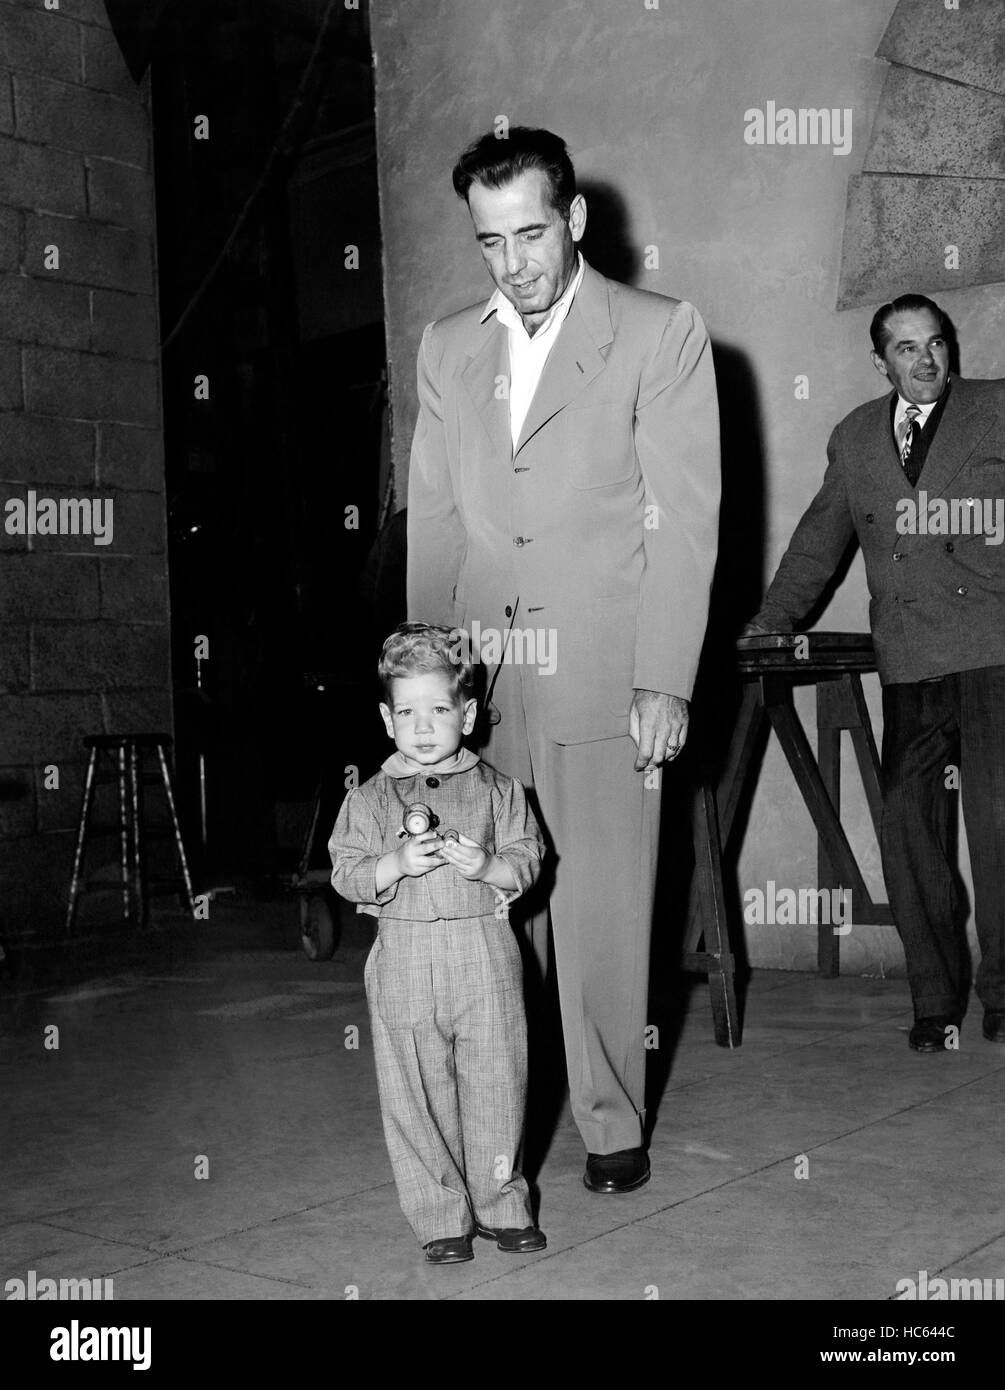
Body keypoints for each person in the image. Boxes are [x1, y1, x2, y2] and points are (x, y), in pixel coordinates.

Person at [407, 127, 720, 1192]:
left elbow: (682, 520)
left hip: (605, 670)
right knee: (488, 903)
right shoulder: (447, 346)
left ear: (575, 219)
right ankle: (504, 1119)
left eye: (531, 233)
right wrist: (423, 681)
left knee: (599, 910)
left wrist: (665, 677)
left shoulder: (659, 332)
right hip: (484, 685)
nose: (514, 263)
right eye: (491, 242)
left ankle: (609, 1120)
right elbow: (439, 522)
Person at [748, 294, 1005, 1053]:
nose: (925, 361)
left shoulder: (995, 410)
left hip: (992, 649)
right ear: (879, 361)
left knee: (998, 832)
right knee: (908, 836)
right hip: (908, 661)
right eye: (905, 349)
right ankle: (934, 999)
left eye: (934, 344)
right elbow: (816, 542)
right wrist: (770, 623)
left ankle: (1004, 994)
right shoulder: (855, 437)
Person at [328, 622, 546, 1264]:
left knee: (498, 1082)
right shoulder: (365, 799)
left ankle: (503, 1204)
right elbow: (345, 869)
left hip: (485, 954)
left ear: (470, 713)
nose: (423, 726)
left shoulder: (501, 791)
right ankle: (439, 1216)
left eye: (440, 709)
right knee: (413, 1092)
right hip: (402, 958)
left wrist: (486, 868)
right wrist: (393, 864)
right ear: (386, 719)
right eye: (407, 711)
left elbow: (528, 859)